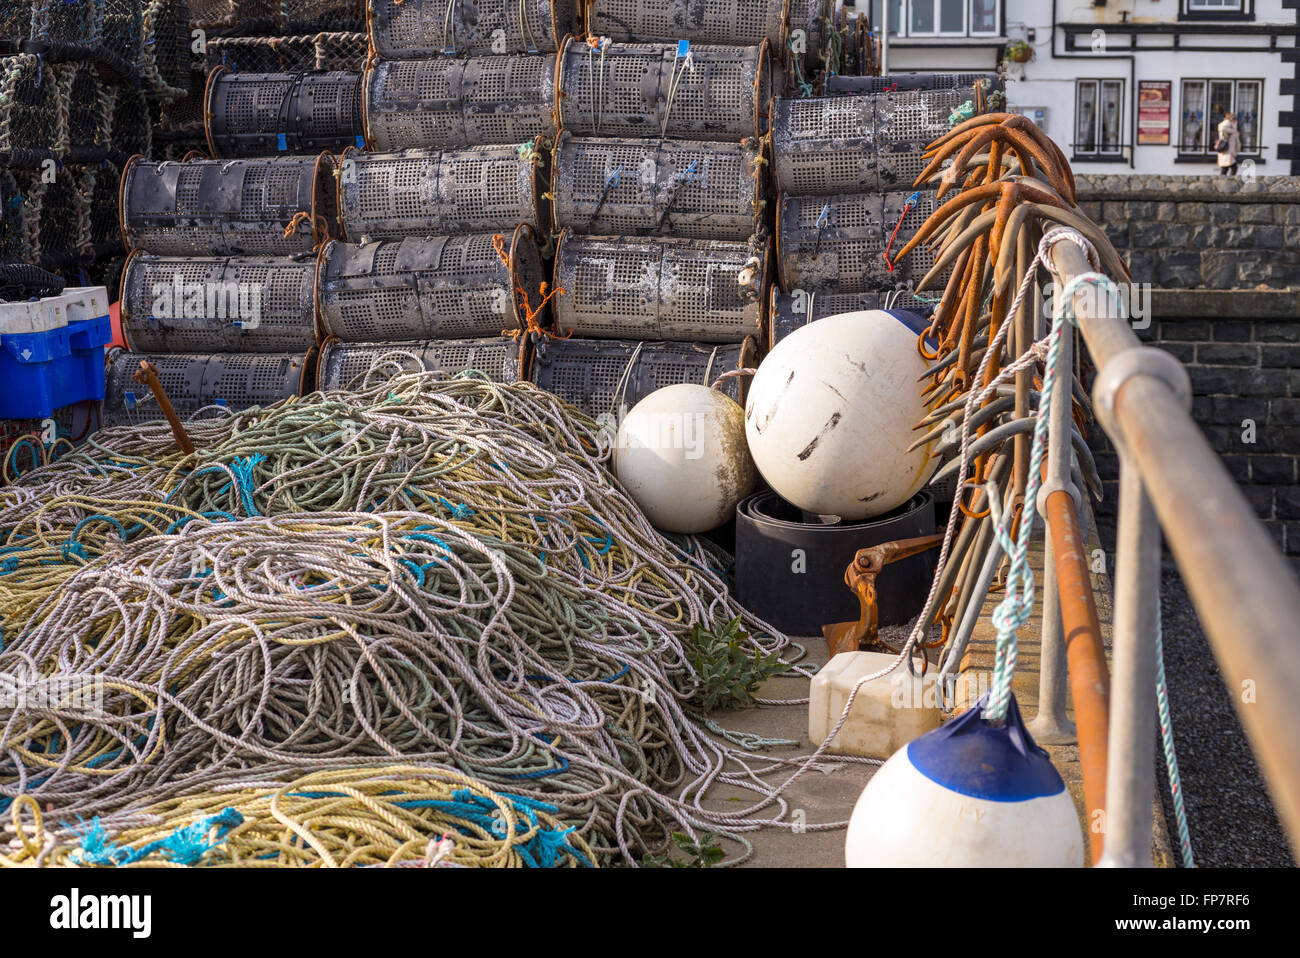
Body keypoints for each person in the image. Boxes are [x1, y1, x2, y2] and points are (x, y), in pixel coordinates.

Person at [1216, 111, 1242, 176]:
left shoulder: (1230, 125)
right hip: (1227, 150)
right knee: (1233, 167)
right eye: (1234, 119)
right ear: (1231, 119)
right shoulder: (1227, 125)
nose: (1235, 121)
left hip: (1227, 150)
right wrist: (1234, 131)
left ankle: (1224, 181)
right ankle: (1229, 181)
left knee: (1225, 168)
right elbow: (1223, 129)